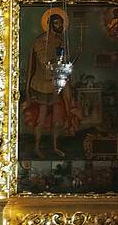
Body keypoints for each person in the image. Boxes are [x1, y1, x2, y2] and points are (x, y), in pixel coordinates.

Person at [22, 11, 79, 160]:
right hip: (42, 84)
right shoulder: (40, 41)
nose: (60, 26)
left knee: (57, 118)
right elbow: (44, 62)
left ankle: (54, 146)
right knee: (41, 118)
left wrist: (67, 62)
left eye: (61, 23)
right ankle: (36, 146)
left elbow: (62, 60)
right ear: (50, 25)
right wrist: (57, 63)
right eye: (57, 23)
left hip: (56, 84)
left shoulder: (60, 40)